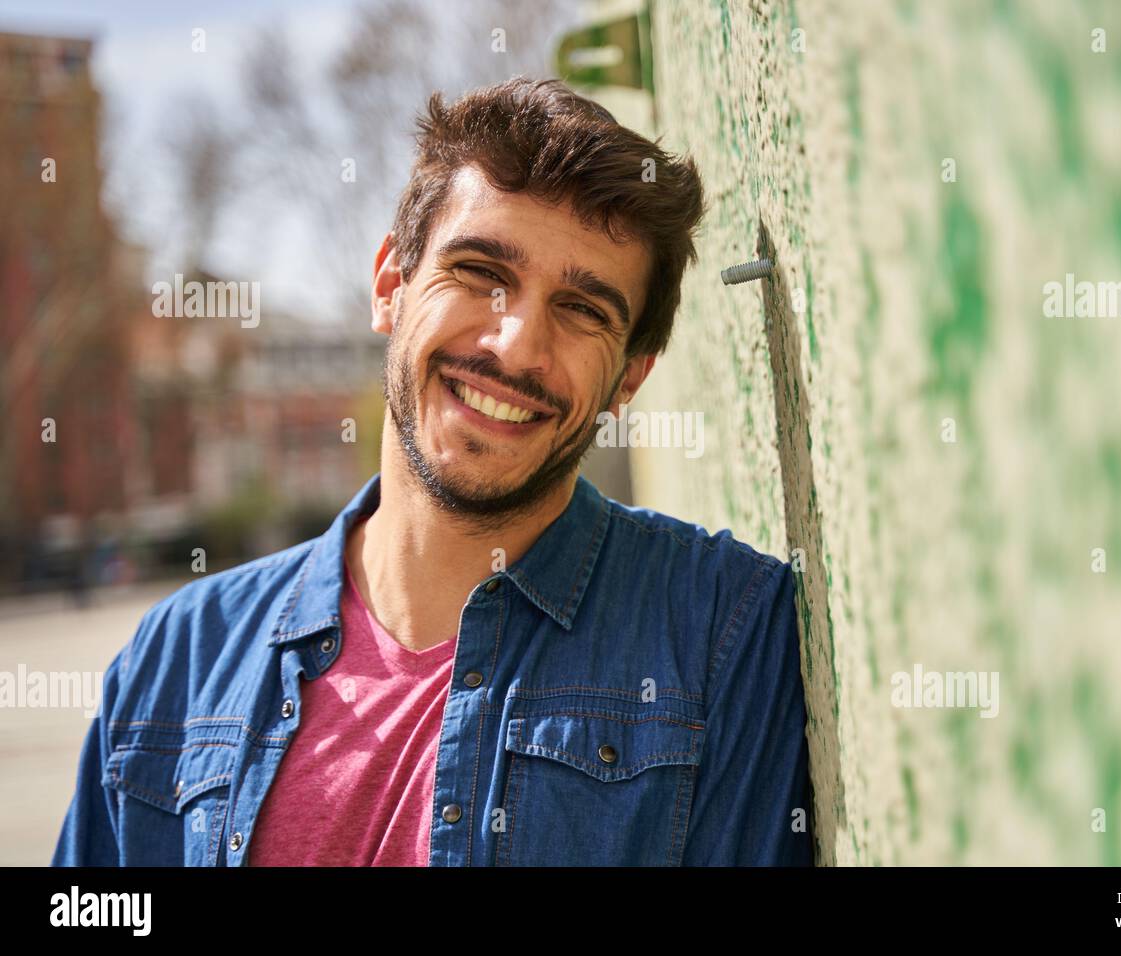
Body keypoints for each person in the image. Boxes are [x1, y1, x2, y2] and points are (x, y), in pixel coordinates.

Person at [51, 77, 814, 867]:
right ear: (391, 285)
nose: (516, 345)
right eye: (481, 271)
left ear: (629, 379)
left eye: (583, 310)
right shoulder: (180, 654)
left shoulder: (725, 630)